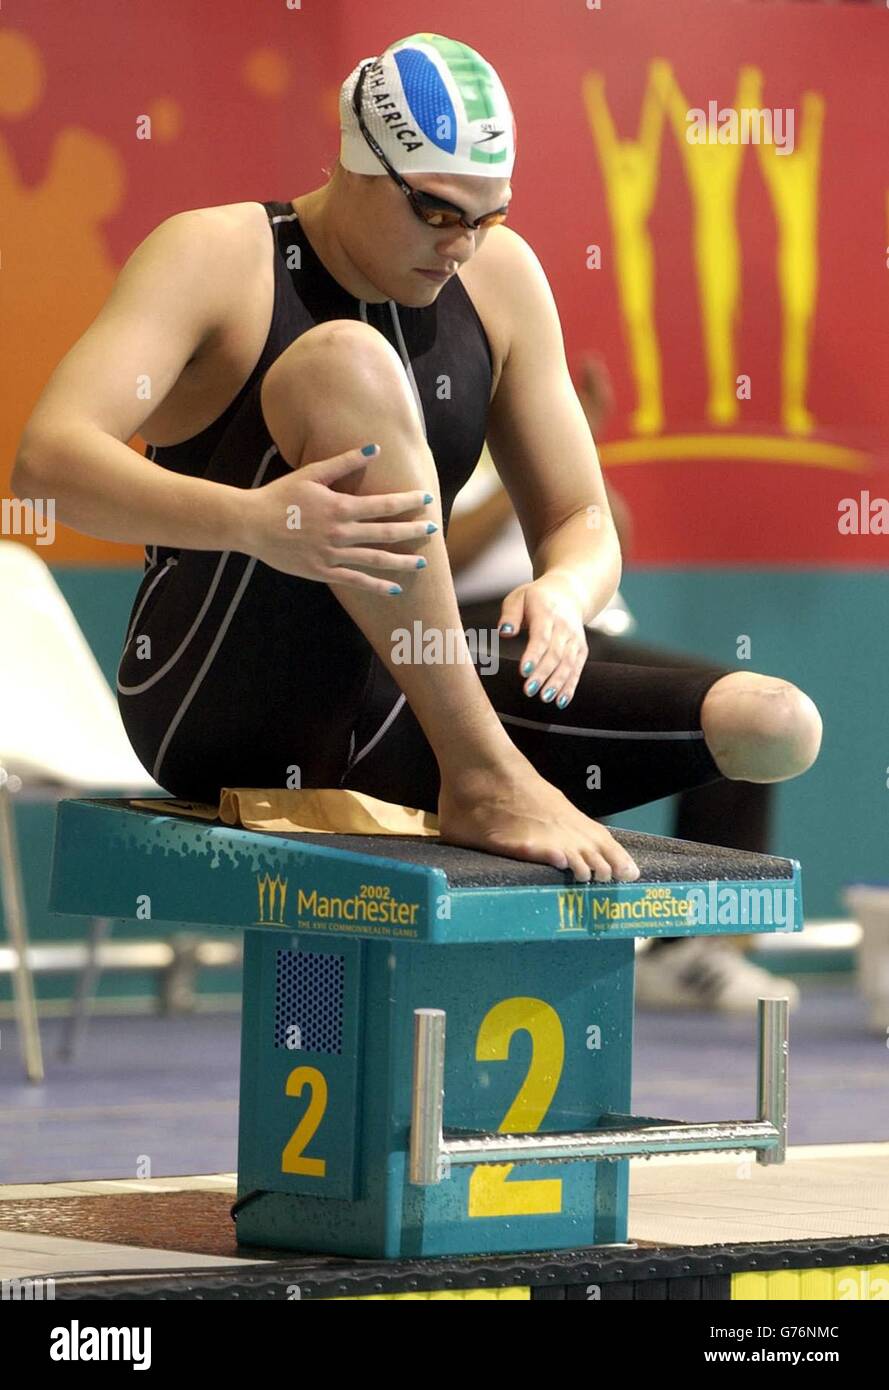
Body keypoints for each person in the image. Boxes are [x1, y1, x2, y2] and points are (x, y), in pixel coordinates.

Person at [12, 32, 823, 890]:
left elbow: (579, 519)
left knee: (773, 725)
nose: (461, 246)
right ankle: (484, 772)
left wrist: (563, 590)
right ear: (354, 165)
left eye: (487, 218)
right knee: (345, 364)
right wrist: (256, 523)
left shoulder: (501, 280)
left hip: (407, 712)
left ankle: (485, 770)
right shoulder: (217, 256)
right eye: (437, 212)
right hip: (228, 710)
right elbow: (49, 460)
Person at [451, 356, 799, 1012]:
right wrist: (515, 486)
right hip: (479, 634)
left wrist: (572, 458)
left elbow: (608, 544)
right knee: (565, 718)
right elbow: (443, 552)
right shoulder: (436, 460)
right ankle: (566, 939)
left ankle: (698, 948)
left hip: (582, 628)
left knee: (738, 704)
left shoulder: (534, 456)